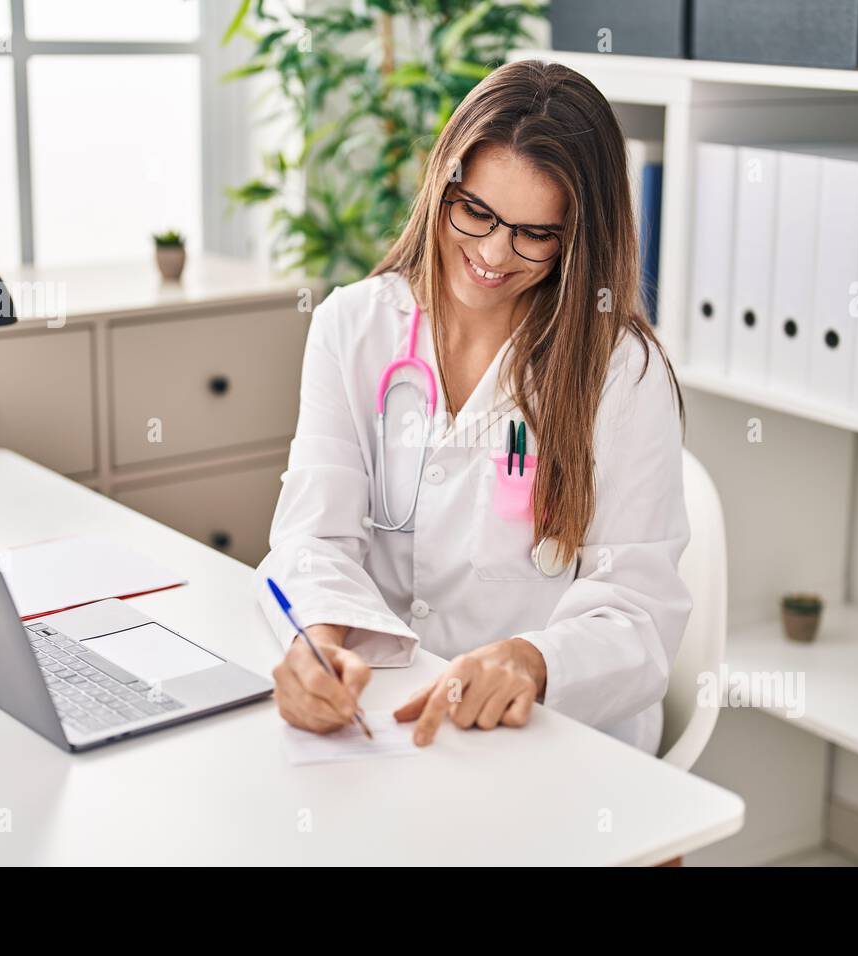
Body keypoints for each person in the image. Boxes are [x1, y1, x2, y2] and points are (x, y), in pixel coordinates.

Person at [255, 59, 691, 754]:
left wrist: (534, 660)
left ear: (579, 239)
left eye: (535, 234)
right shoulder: (353, 326)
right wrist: (316, 639)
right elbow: (316, 536)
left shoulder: (622, 374)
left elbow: (637, 611)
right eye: (477, 212)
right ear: (443, 186)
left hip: (556, 734)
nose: (492, 254)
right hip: (390, 712)